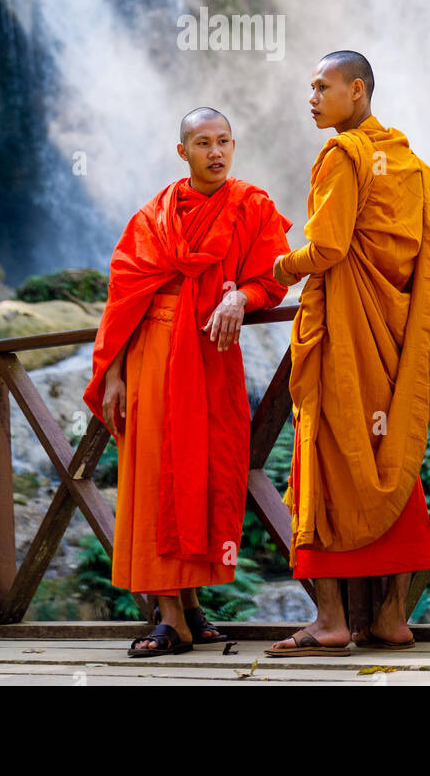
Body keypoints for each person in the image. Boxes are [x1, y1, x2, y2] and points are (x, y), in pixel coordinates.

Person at [83, 107, 292, 656]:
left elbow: (274, 273)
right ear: (183, 152)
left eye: (224, 141)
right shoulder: (153, 217)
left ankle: (193, 609)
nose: (217, 152)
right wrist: (115, 376)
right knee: (154, 479)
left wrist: (239, 295)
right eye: (204, 143)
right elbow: (125, 298)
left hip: (209, 358)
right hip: (151, 360)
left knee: (201, 475)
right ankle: (170, 617)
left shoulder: (251, 205)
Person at [266, 51, 430, 657]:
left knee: (326, 458)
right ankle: (393, 617)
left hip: (345, 335)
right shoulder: (411, 165)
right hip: (395, 337)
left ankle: (331, 621)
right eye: (310, 88)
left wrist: (279, 265)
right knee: (390, 454)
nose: (311, 98)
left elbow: (327, 246)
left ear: (358, 90)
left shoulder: (343, 156)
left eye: (323, 87)